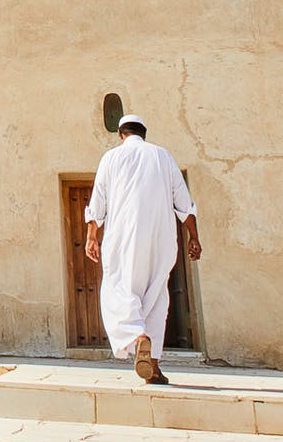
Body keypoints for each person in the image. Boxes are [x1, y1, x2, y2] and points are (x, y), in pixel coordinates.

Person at [84, 113, 201, 383]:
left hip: (123, 238)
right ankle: (154, 368)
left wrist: (91, 236)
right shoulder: (163, 156)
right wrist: (194, 237)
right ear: (144, 134)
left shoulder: (111, 158)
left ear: (120, 134)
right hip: (162, 239)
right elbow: (184, 202)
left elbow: (97, 201)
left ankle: (138, 337)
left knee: (119, 290)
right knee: (157, 296)